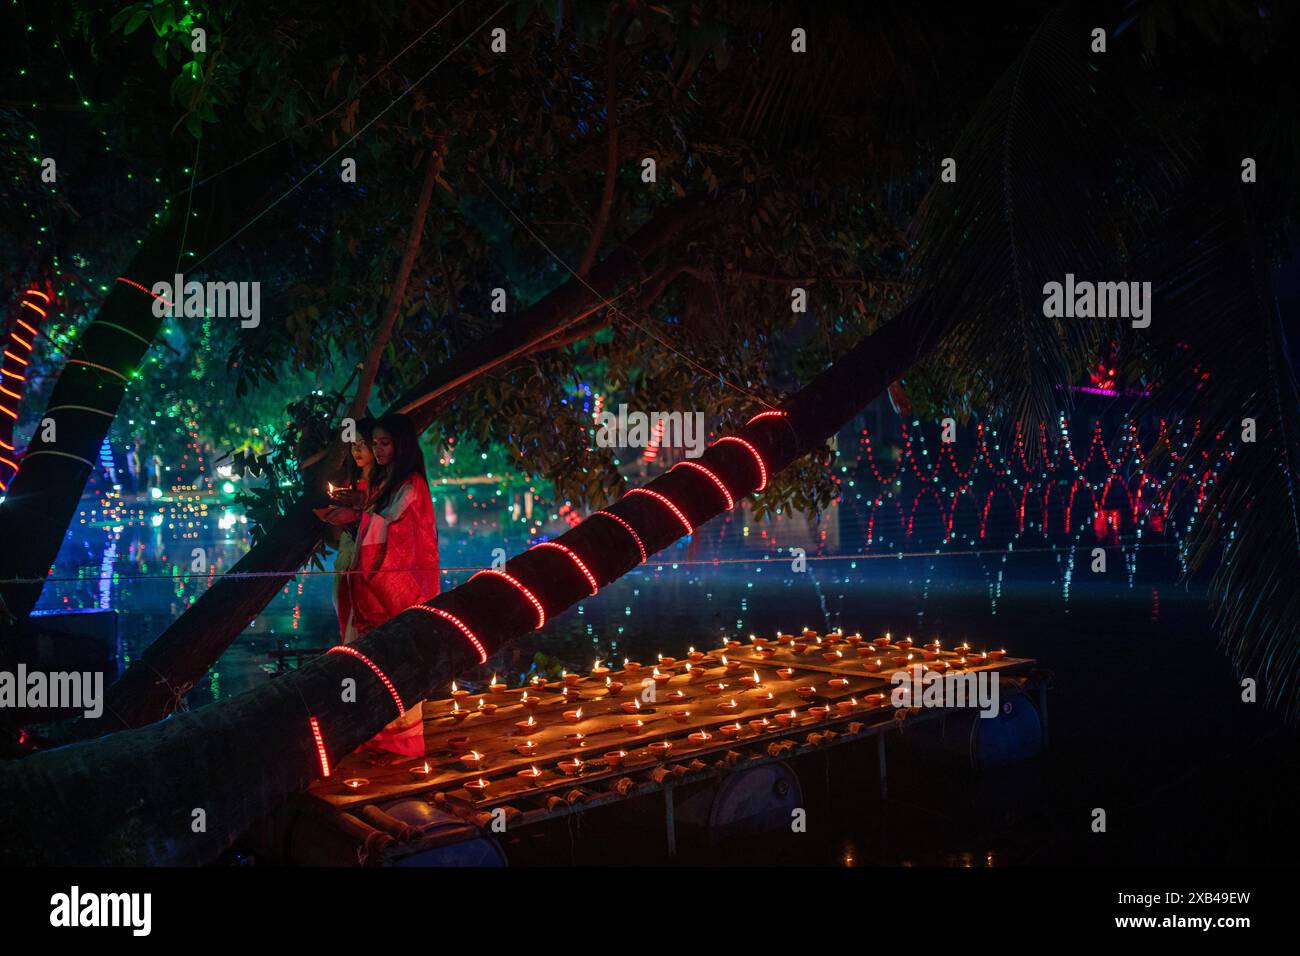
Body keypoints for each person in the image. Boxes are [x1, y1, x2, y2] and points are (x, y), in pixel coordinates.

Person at [314, 413, 440, 756]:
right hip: (367, 595)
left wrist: (357, 520)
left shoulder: (412, 484)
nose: (378, 449)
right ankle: (369, 737)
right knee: (364, 664)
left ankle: (400, 745)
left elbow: (397, 531)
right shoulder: (385, 482)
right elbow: (377, 523)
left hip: (396, 598)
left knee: (395, 667)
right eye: (375, 443)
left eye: (384, 443)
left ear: (401, 444)